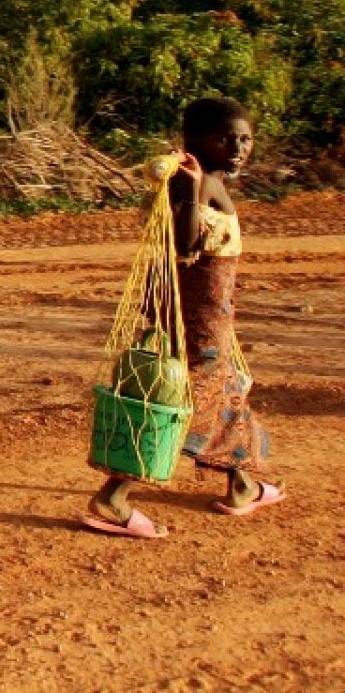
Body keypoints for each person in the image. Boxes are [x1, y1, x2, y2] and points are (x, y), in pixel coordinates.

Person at [83, 96, 282, 538]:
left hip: (210, 316)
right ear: (195, 140)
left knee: (228, 394)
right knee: (188, 405)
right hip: (201, 322)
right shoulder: (191, 183)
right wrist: (191, 193)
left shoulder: (206, 179)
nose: (238, 147)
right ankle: (113, 498)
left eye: (245, 139)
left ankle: (244, 484)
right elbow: (186, 247)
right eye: (225, 138)